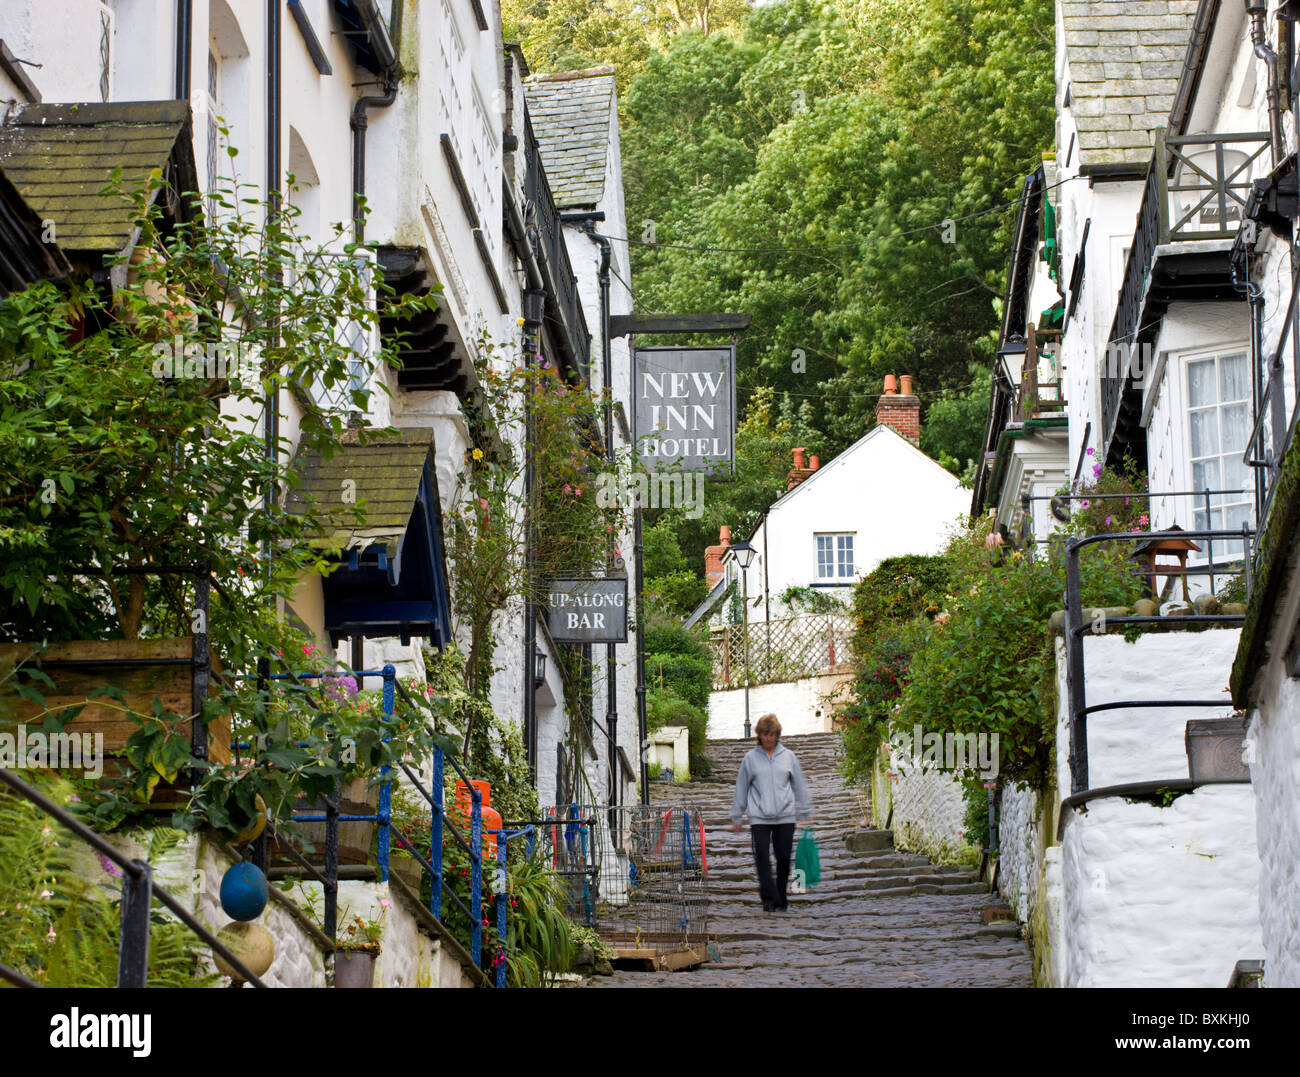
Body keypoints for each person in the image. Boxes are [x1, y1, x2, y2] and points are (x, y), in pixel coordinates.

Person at [731, 714, 813, 911]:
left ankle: (781, 896)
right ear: (759, 736)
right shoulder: (750, 759)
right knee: (761, 855)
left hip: (785, 816)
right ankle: (768, 898)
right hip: (759, 816)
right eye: (765, 735)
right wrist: (737, 814)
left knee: (784, 857)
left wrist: (805, 810)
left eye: (772, 735)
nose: (769, 738)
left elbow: (799, 784)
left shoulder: (788, 757)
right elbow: (742, 786)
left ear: (777, 735)